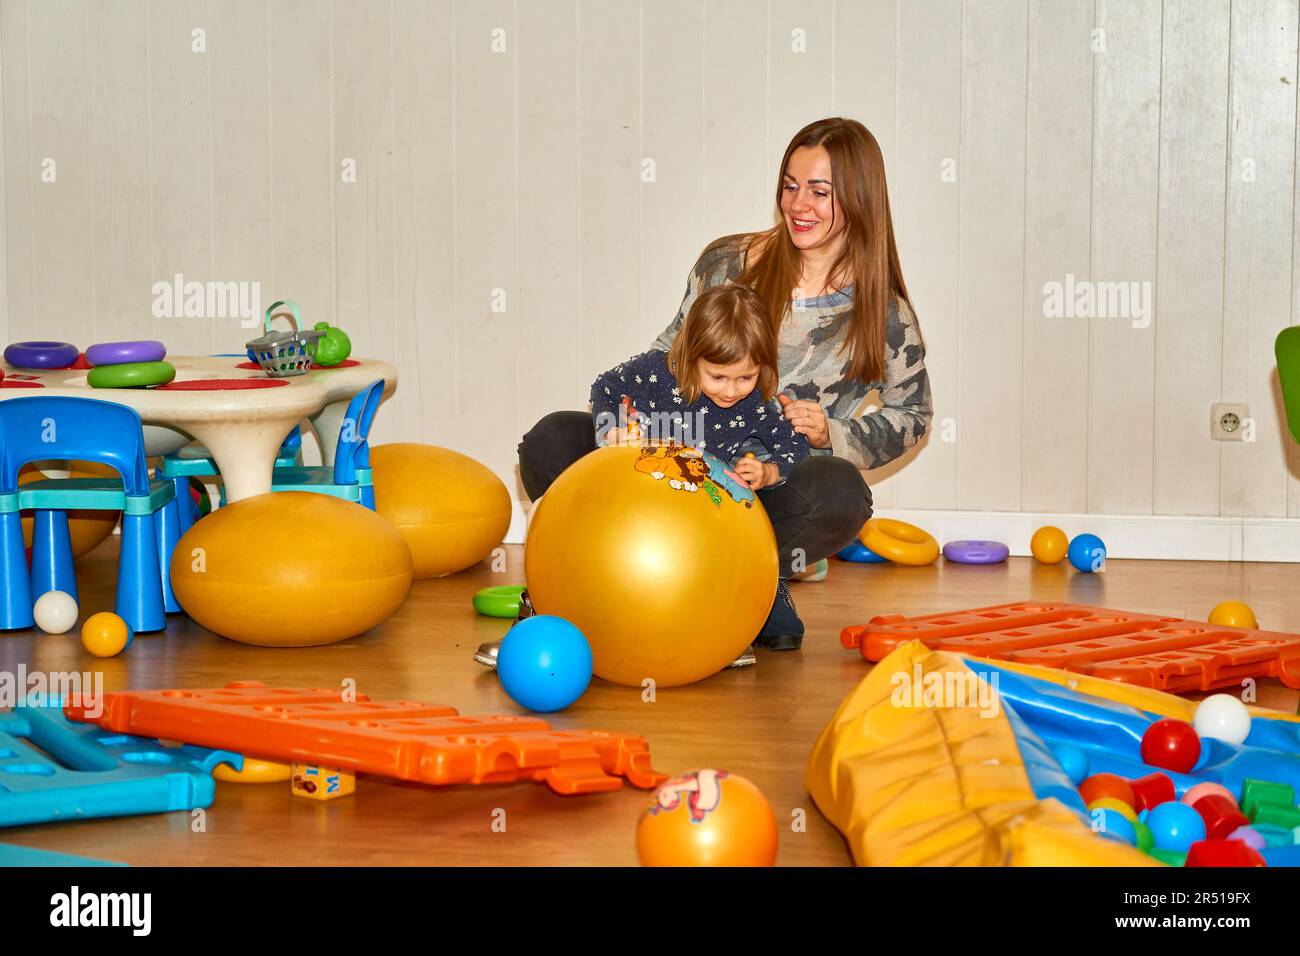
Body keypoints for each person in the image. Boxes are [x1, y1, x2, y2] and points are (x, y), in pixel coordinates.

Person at [518, 116, 933, 651]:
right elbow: (668, 354)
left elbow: (914, 416)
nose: (798, 204)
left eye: (820, 191)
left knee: (840, 493)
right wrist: (625, 423)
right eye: (789, 185)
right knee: (550, 439)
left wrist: (831, 431)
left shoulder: (886, 314)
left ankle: (753, 579)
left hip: (761, 481)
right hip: (672, 463)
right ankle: (596, 576)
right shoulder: (727, 262)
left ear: (859, 198)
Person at [590, 284, 810, 493]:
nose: (731, 391)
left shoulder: (753, 403)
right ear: (691, 358)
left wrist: (769, 472)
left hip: (694, 504)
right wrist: (612, 432)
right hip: (630, 482)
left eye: (746, 377)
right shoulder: (655, 369)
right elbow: (605, 387)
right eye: (717, 377)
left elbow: (794, 443)